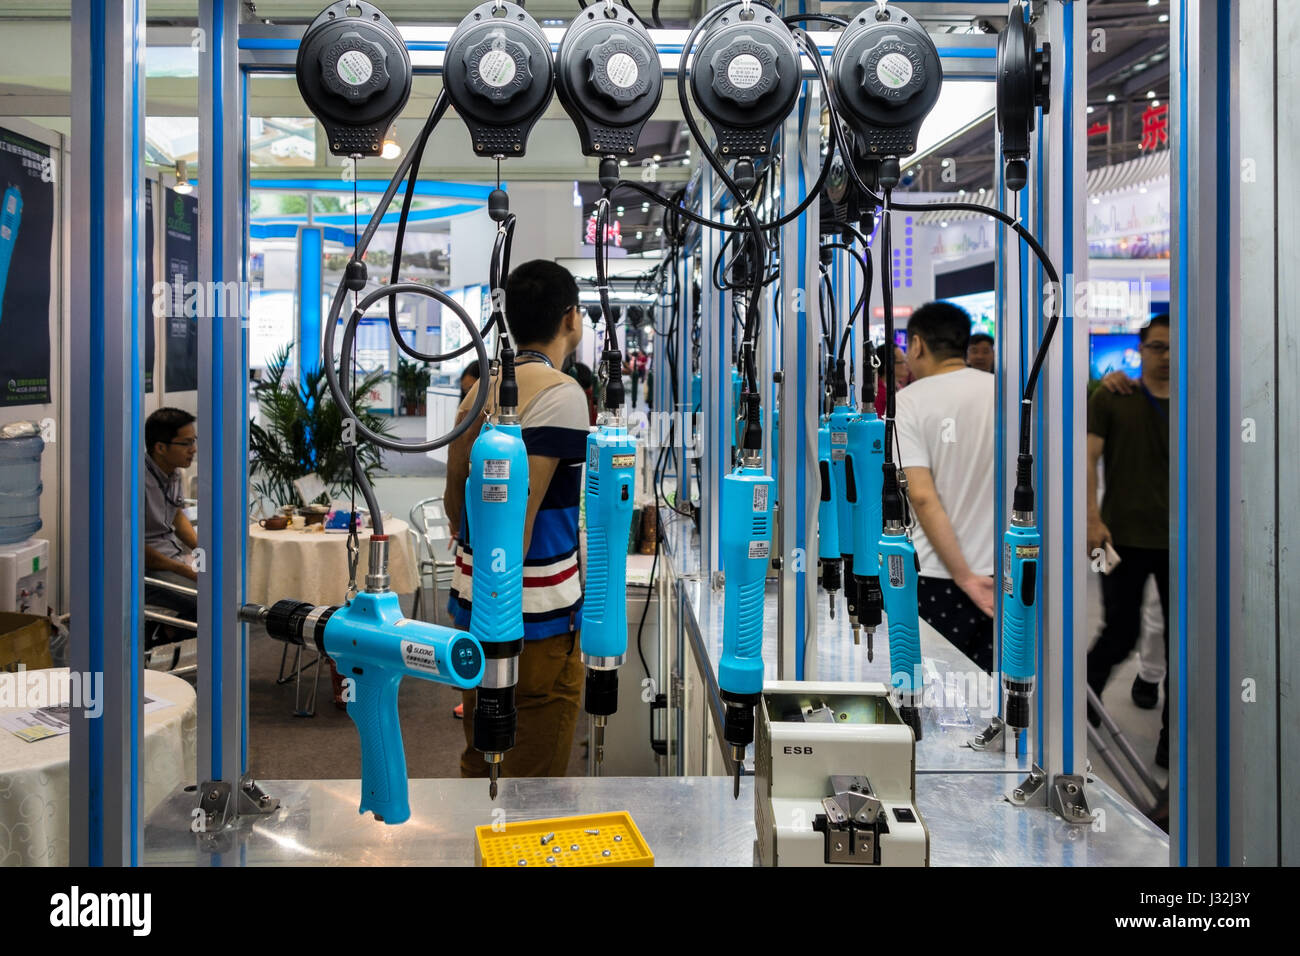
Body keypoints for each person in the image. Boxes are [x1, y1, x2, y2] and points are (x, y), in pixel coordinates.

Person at [444, 260, 591, 778]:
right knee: (532, 779)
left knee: (485, 755)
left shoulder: (478, 389)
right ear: (570, 318)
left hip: (474, 611)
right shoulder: (561, 394)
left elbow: (453, 506)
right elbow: (519, 526)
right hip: (530, 622)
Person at [1086, 313, 1172, 769]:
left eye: (1174, 347)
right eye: (1156, 347)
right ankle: (1083, 709)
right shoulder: (1113, 397)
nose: (1165, 356)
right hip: (1113, 539)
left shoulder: (1199, 400)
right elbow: (1088, 459)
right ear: (1141, 349)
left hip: (1184, 544)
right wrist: (1090, 519)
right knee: (1118, 631)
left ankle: (1172, 739)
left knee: (1185, 642)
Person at [894, 302, 996, 672]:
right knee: (996, 698)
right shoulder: (1004, 392)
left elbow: (921, 495)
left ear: (918, 344)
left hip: (940, 577)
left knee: (940, 703)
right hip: (1004, 575)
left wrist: (964, 576)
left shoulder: (908, 402)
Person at [143, 407, 199, 623]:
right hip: (145, 570)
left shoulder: (173, 472)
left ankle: (171, 632)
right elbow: (135, 550)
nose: (193, 450)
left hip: (173, 558)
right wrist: (187, 571)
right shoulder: (135, 481)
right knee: (207, 599)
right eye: (186, 443)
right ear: (160, 447)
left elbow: (176, 514)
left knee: (225, 585)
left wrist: (202, 551)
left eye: (193, 441)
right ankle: (171, 637)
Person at [874, 341, 912, 417]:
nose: (907, 364)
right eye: (902, 362)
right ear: (888, 366)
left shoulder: (898, 387)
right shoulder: (878, 396)